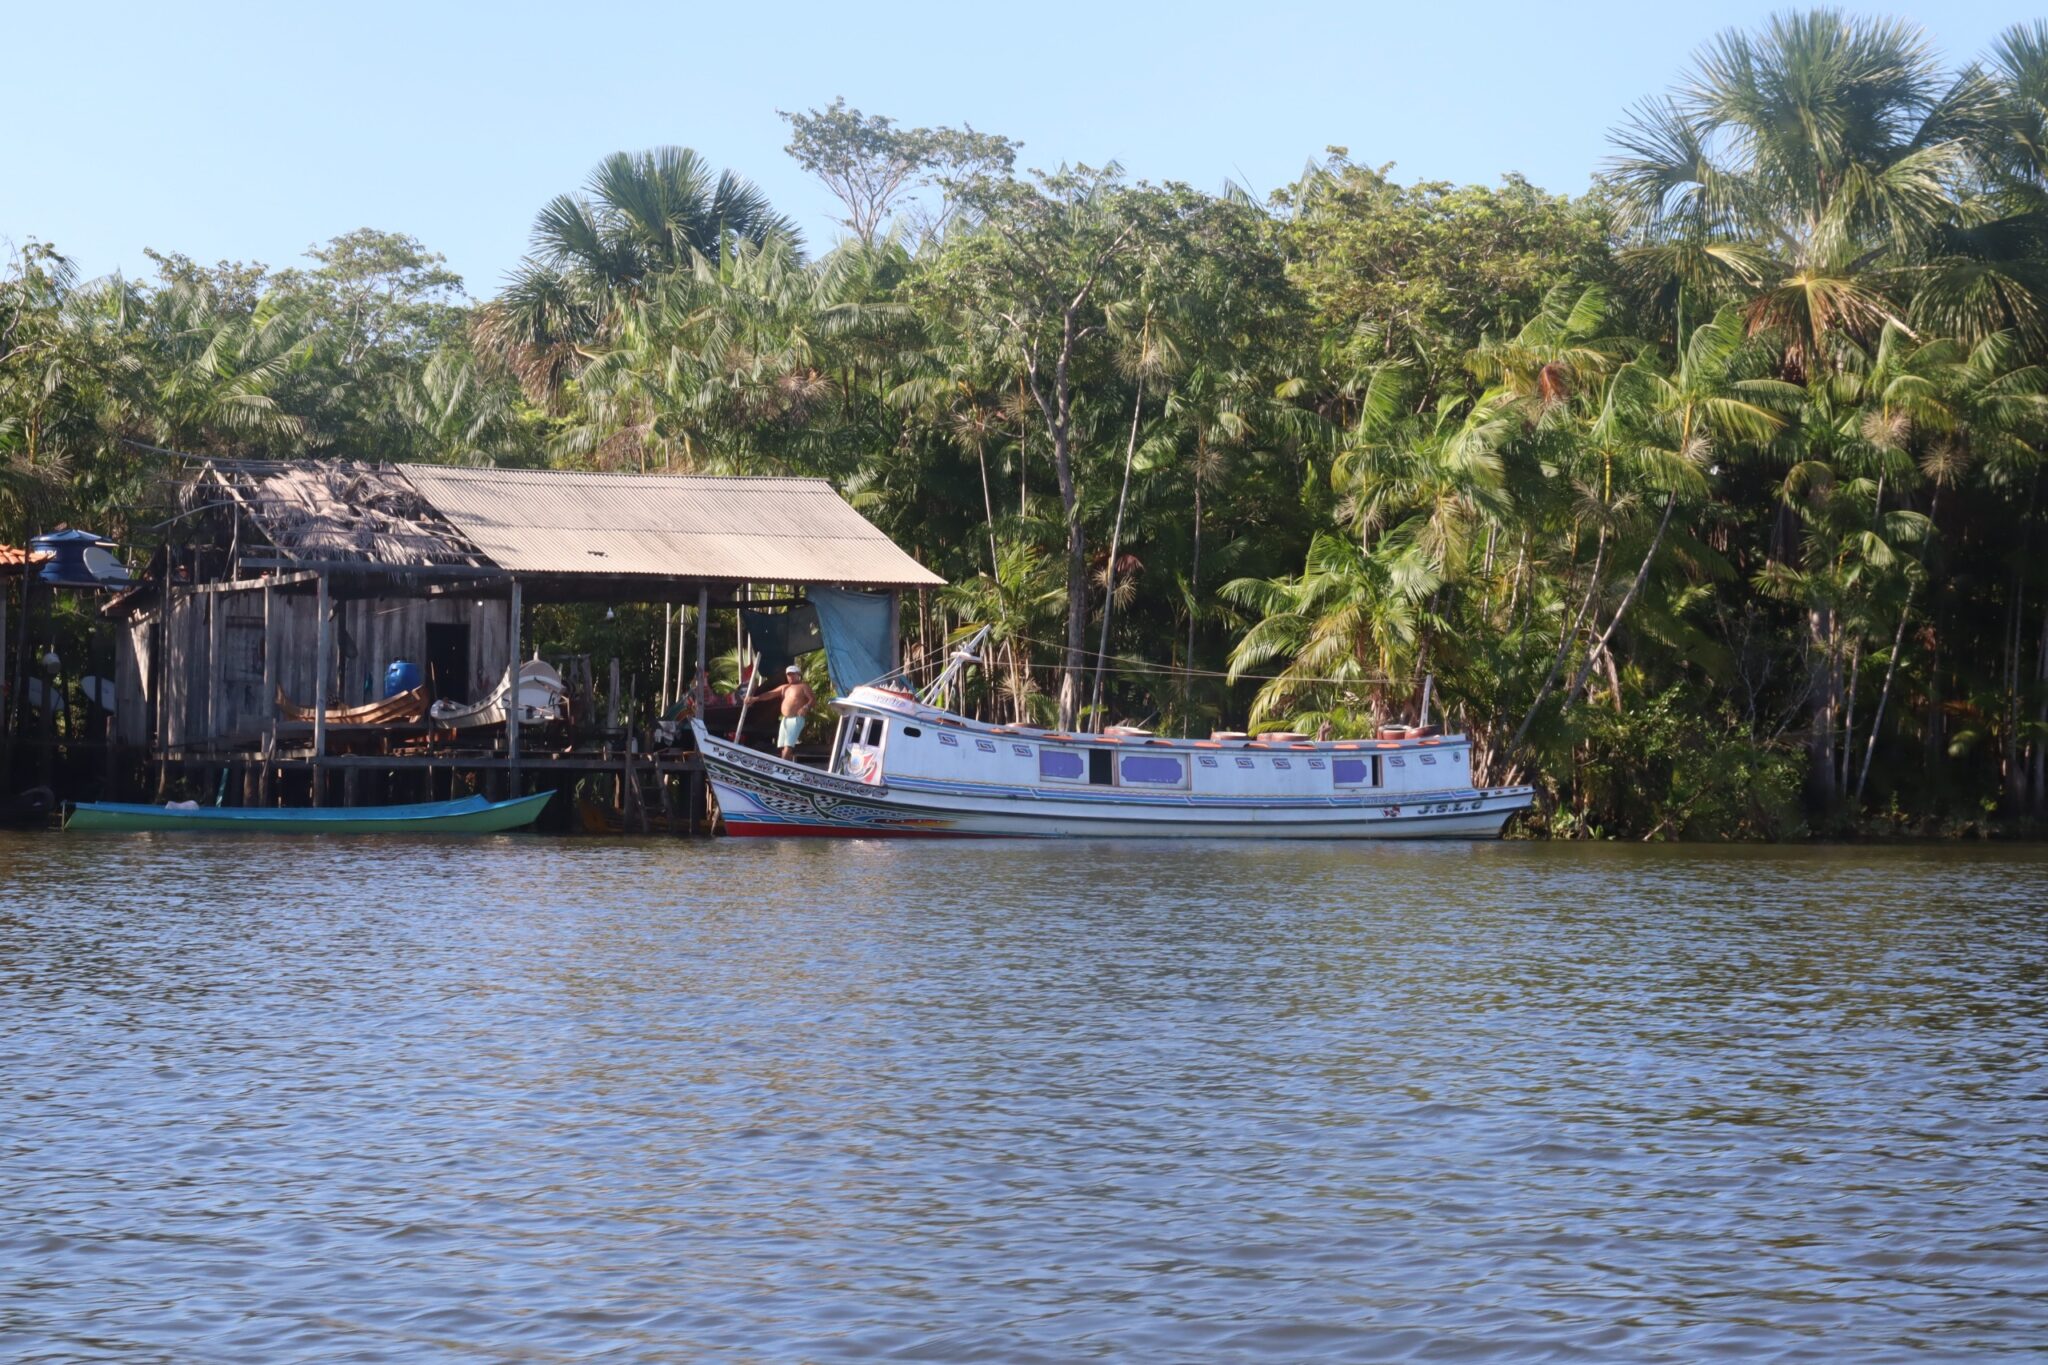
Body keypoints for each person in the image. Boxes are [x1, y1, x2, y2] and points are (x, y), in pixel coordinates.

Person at [777, 663, 814, 759]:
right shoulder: (785, 687)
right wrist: (755, 698)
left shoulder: (803, 686)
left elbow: (812, 700)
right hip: (785, 719)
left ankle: (781, 765)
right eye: (789, 675)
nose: (791, 676)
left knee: (788, 745)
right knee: (782, 746)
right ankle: (785, 765)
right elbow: (770, 694)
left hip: (796, 719)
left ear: (798, 674)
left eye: (793, 674)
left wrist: (805, 707)